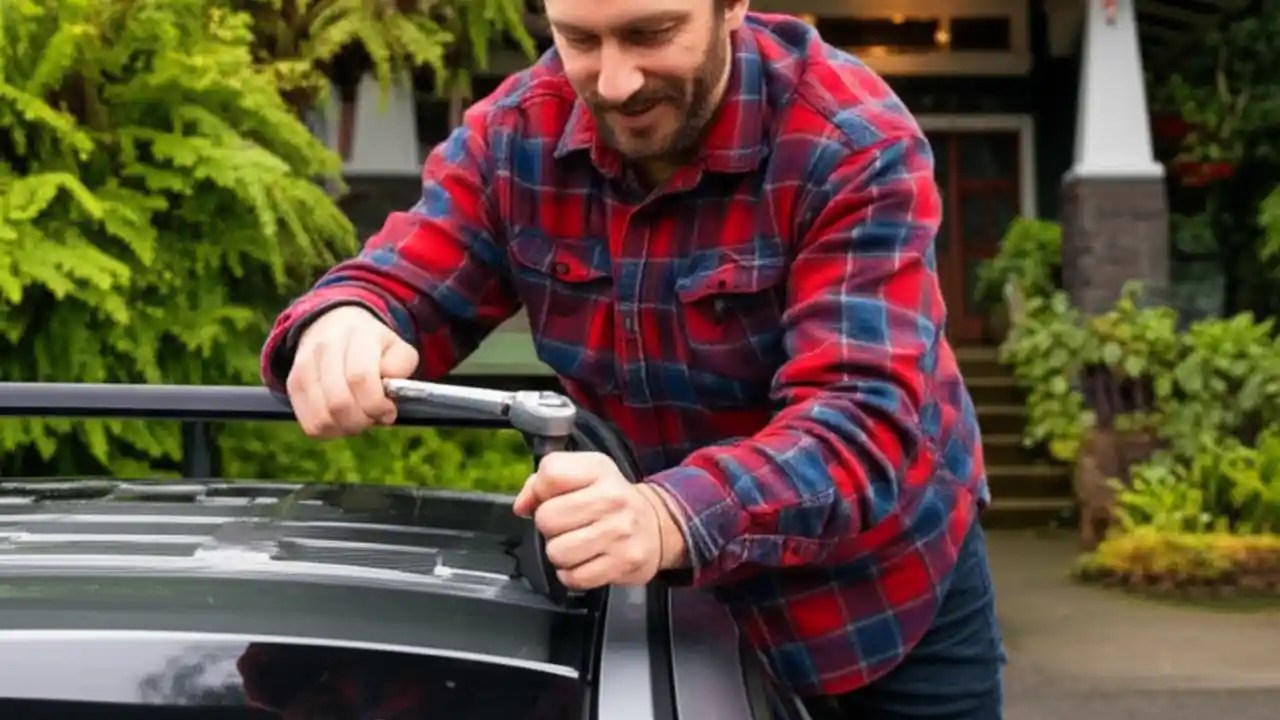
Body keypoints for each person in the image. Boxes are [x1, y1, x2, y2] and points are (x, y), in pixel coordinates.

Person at [260, 1, 1006, 717]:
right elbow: (406, 274)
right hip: (657, 606)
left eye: (651, 33)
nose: (614, 84)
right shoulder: (516, 134)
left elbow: (860, 420)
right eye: (579, 40)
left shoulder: (851, 142)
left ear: (731, 6)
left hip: (879, 596)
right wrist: (346, 318)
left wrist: (666, 514)